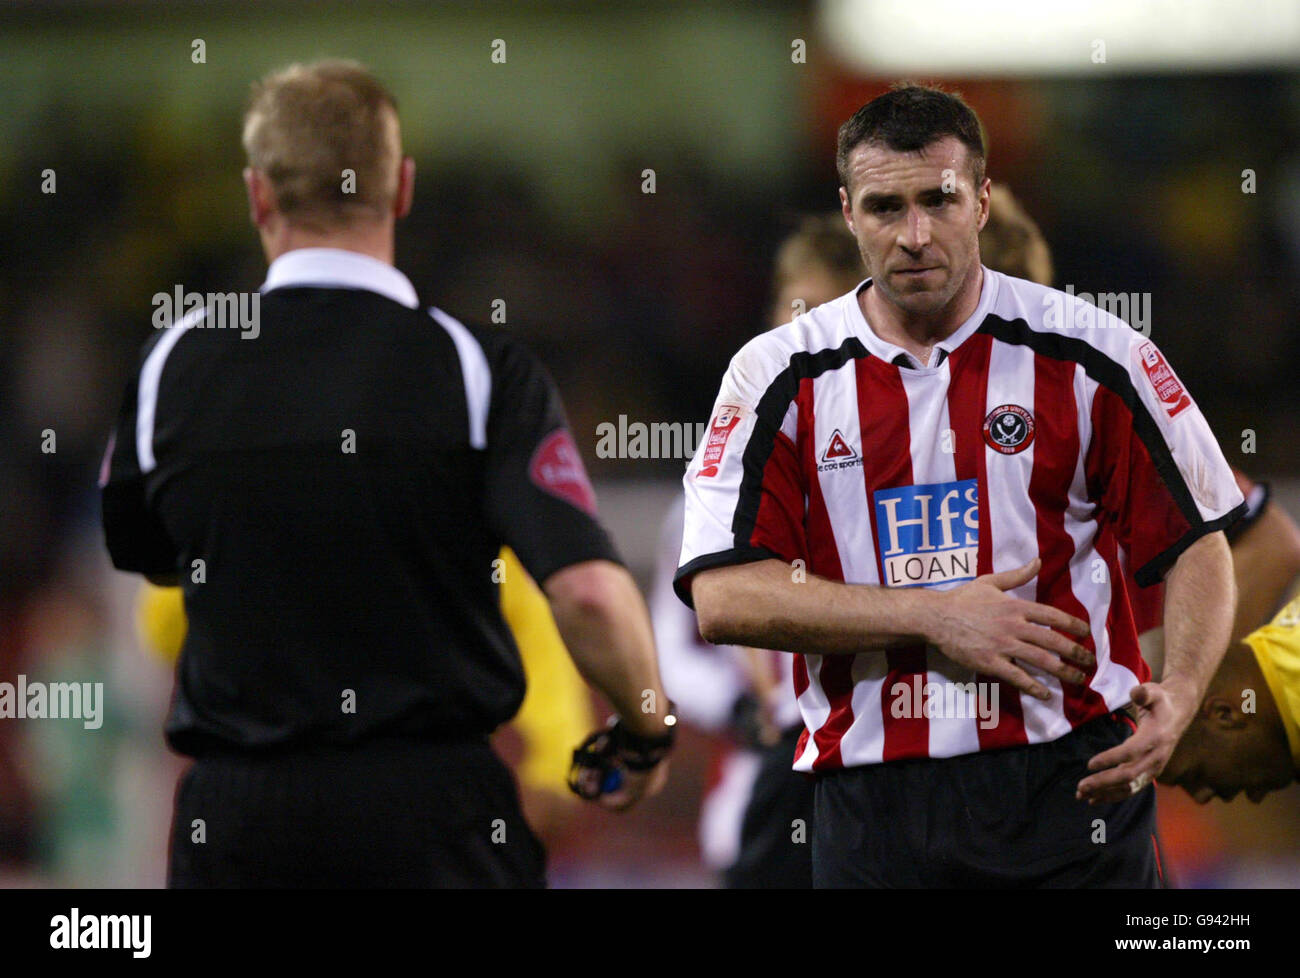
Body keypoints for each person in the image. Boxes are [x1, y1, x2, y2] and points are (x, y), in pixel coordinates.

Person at [100, 60, 673, 888]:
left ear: (258, 194)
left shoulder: (169, 369)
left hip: (236, 825)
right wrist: (645, 726)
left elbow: (148, 557)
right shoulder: (477, 371)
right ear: (400, 187)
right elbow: (586, 592)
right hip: (436, 824)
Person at [676, 84, 1244, 888]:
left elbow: (1197, 540)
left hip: (1071, 785)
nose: (914, 235)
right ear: (847, 211)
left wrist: (1182, 693)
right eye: (884, 207)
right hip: (873, 808)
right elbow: (723, 598)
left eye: (938, 200)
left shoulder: (1092, 353)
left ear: (980, 200)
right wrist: (937, 616)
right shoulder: (776, 375)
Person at [978, 184, 1300, 805]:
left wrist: (1167, 695)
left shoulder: (1090, 409)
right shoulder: (892, 438)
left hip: (1075, 760)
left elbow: (1266, 538)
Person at [651, 214, 860, 887]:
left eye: (826, 311)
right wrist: (743, 707)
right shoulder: (717, 482)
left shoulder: (912, 464)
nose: (802, 333)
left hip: (885, 783)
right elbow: (673, 646)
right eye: (792, 309)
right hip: (760, 794)